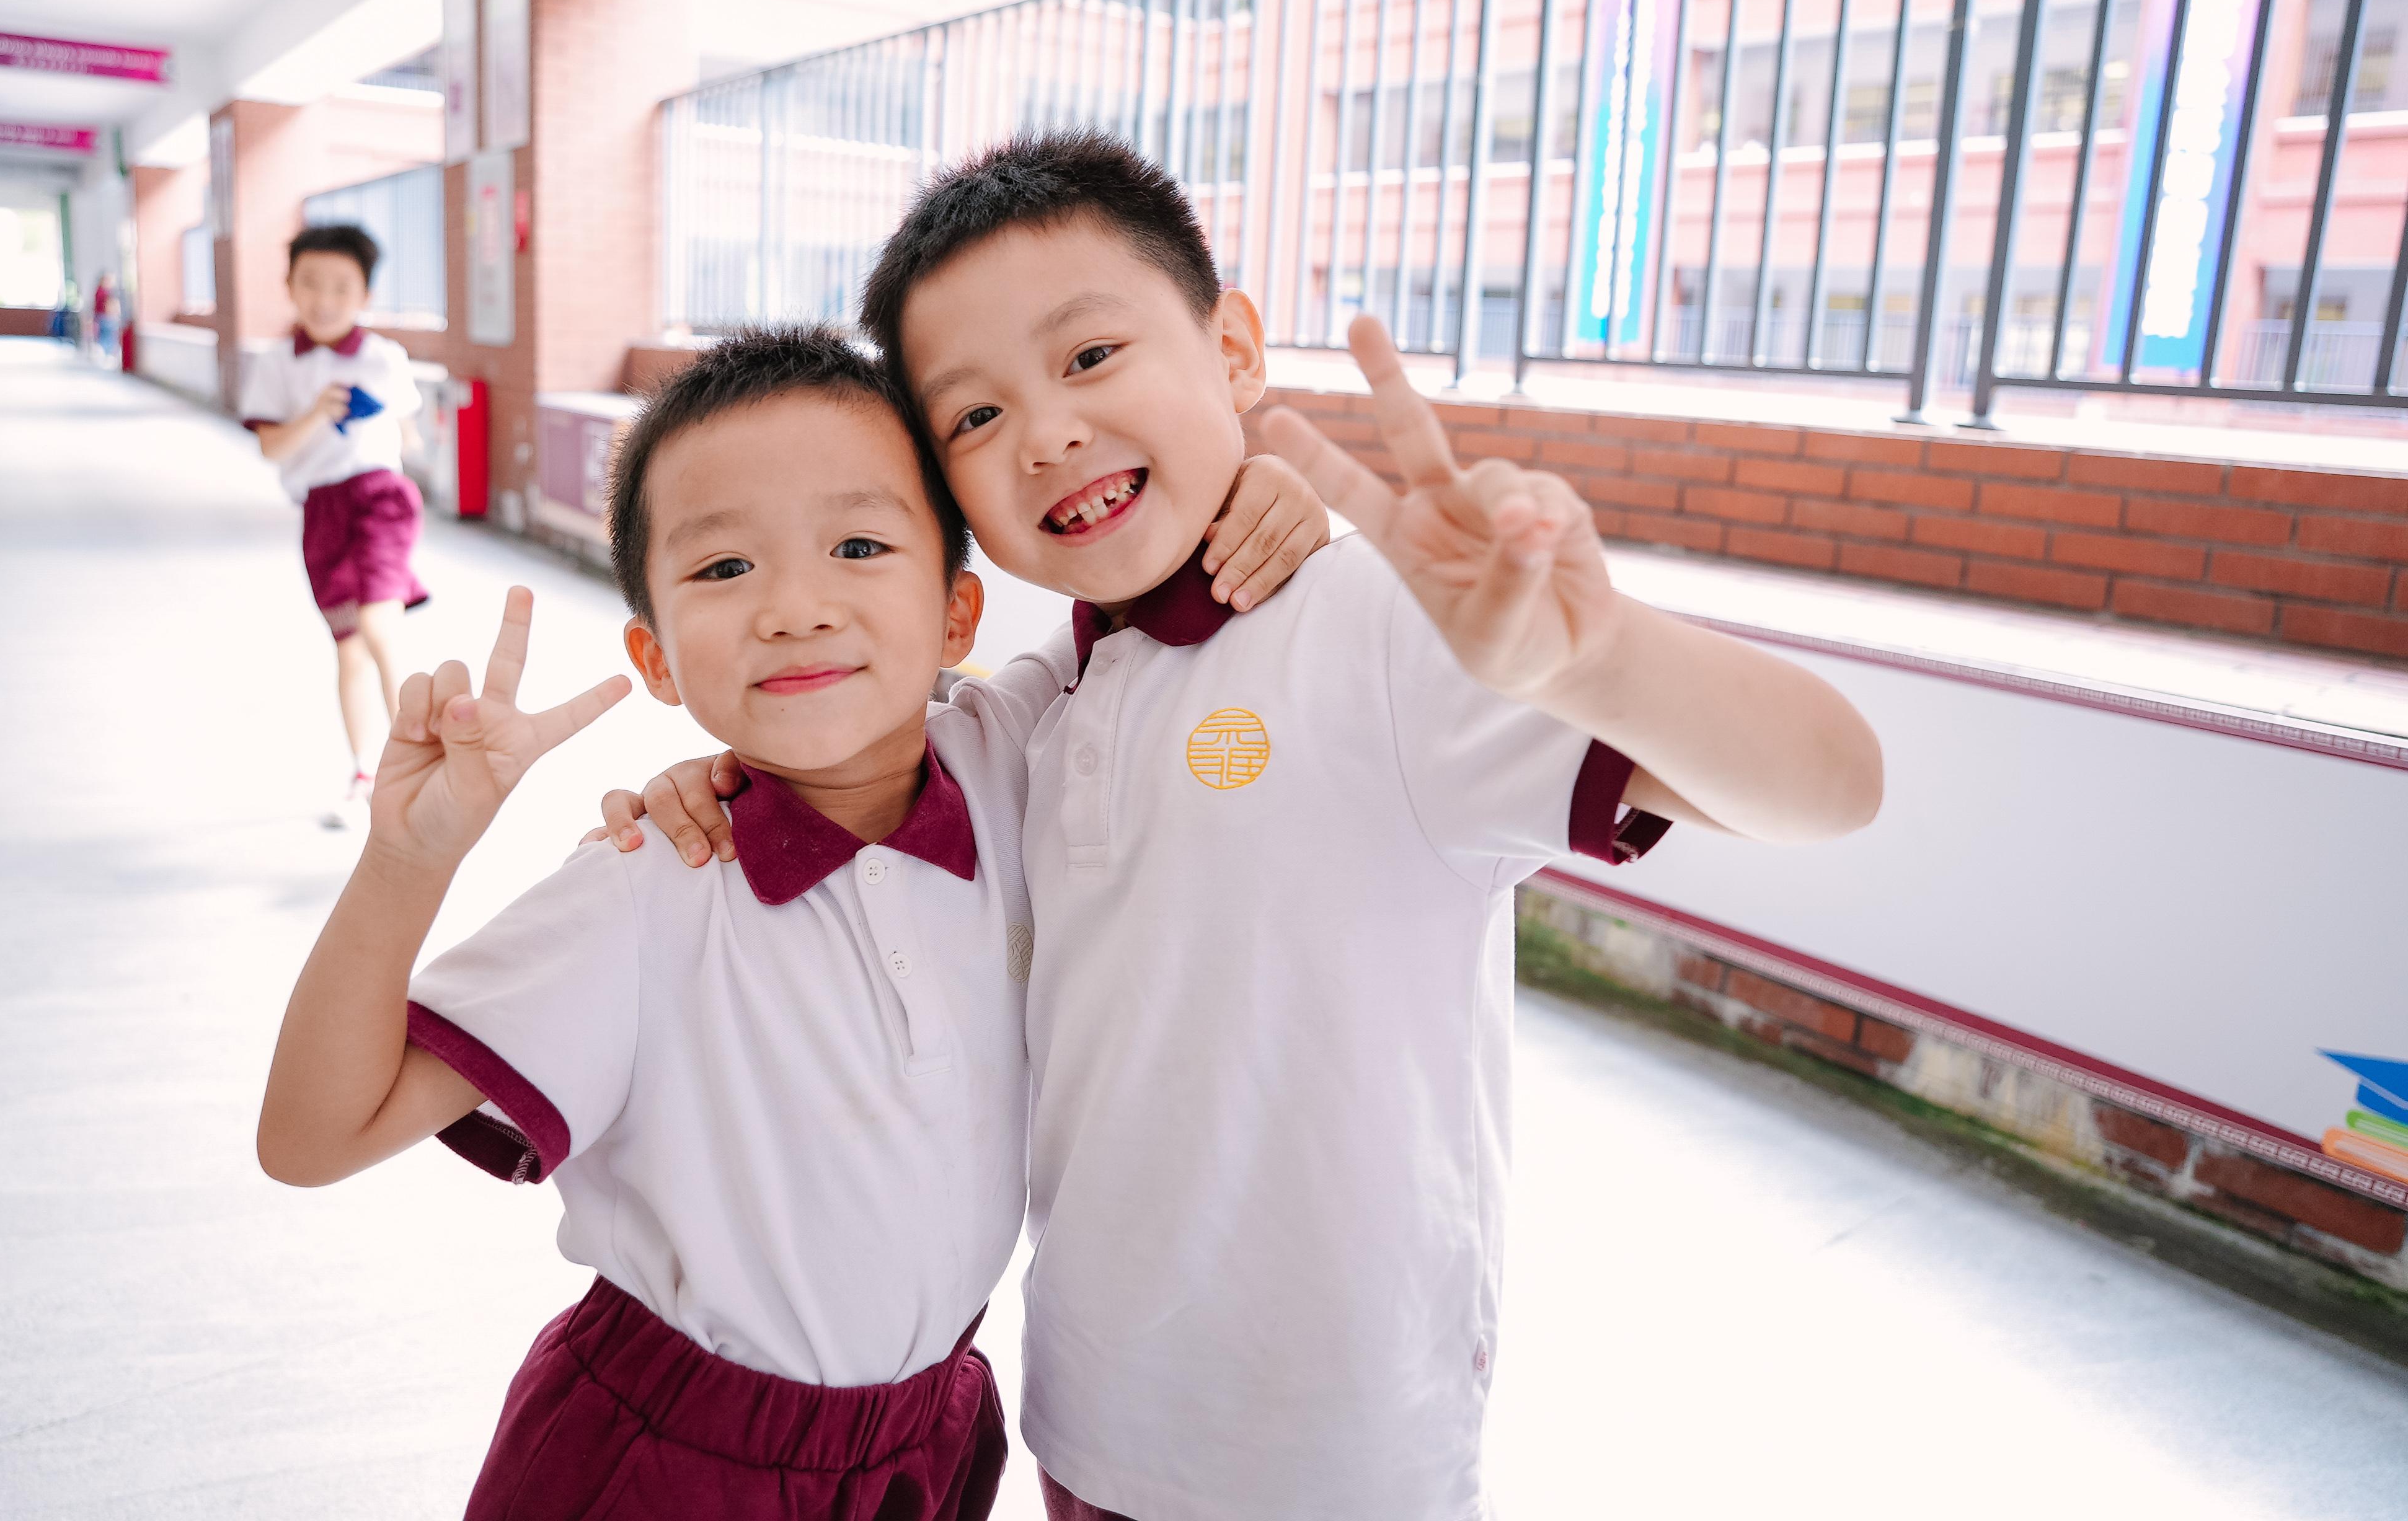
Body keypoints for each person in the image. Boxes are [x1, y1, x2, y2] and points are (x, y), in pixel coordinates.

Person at [597, 131, 1886, 1521]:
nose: (1047, 432)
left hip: (1334, 1461)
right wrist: (714, 785)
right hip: (1094, 1420)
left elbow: (1833, 782)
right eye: (972, 417)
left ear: (1233, 351)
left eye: (1092, 355)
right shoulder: (1036, 708)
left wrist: (1595, 657)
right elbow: (849, 780)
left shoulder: (1382, 636)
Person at [256, 325, 1330, 1520]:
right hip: (664, 1465)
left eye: (859, 546)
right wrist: (408, 858)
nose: (795, 607)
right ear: (657, 657)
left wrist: (1270, 498)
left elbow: (1157, 585)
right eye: (725, 567)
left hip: (922, 1442)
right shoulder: (649, 881)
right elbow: (313, 1136)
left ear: (958, 614)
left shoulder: (1015, 750)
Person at [237, 223, 429, 824]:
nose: (324, 298)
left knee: (379, 625)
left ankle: (419, 766)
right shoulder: (276, 363)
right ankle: (365, 776)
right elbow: (271, 448)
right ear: (289, 286)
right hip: (322, 513)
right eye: (311, 283)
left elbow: (408, 431)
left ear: (365, 294)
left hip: (380, 500)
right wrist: (319, 414)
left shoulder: (384, 358)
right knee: (350, 651)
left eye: (342, 287)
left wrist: (403, 443)